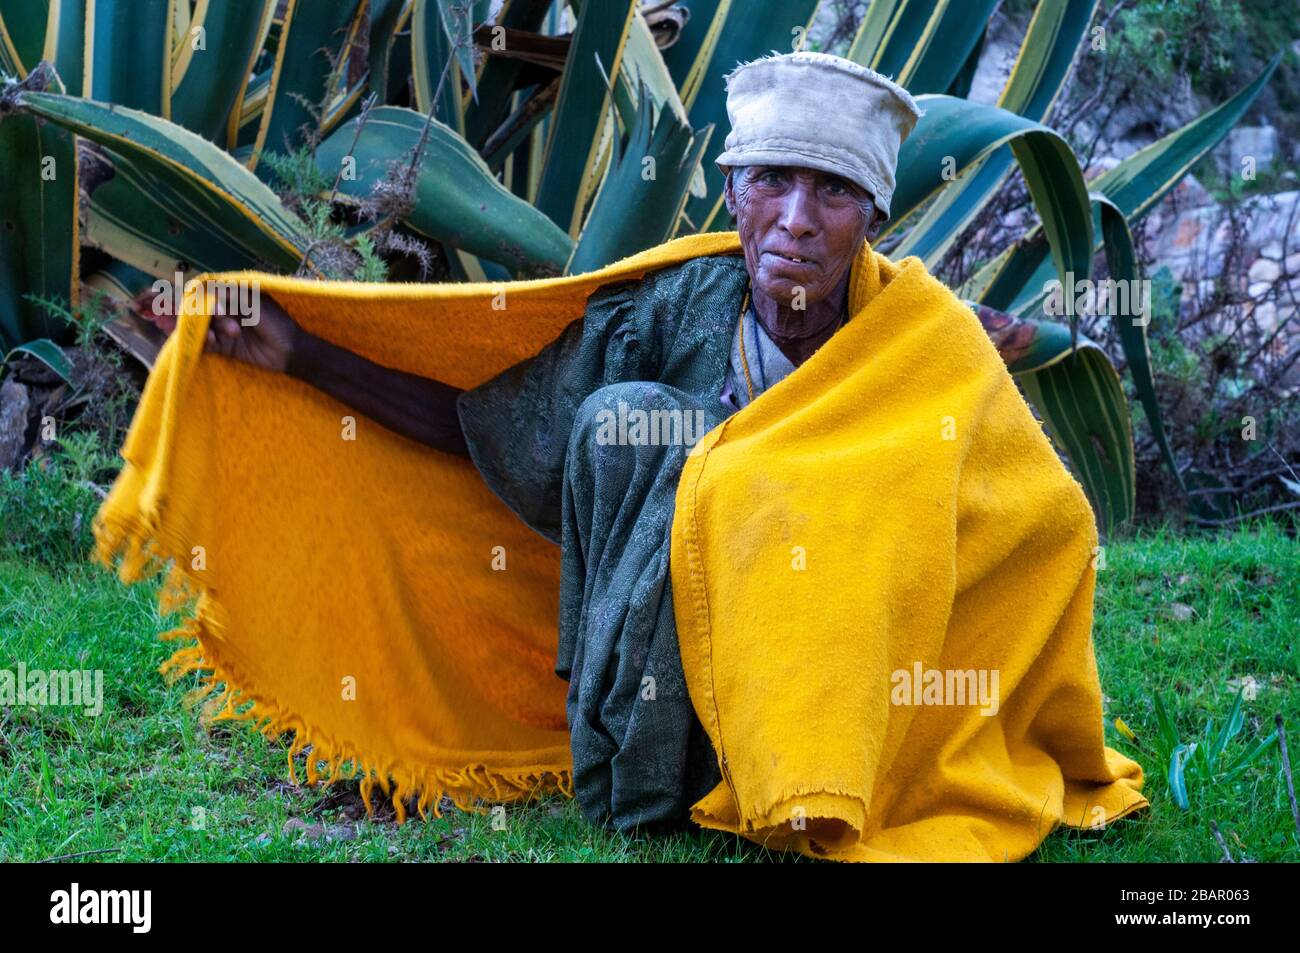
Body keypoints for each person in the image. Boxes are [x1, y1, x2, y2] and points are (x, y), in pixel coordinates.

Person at [194, 50, 922, 833]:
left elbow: (1007, 518)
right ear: (733, 195)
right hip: (684, 707)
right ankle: (649, 770)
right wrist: (304, 353)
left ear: (875, 218)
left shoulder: (911, 350)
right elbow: (507, 428)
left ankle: (812, 774)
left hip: (843, 699)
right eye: (772, 180)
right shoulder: (672, 311)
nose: (797, 218)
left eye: (835, 190)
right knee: (628, 419)